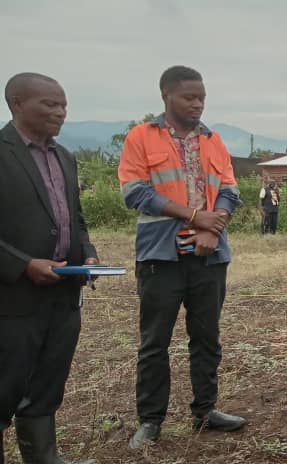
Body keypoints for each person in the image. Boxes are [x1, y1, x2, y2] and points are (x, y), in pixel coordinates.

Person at [118, 65, 247, 449]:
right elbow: (135, 193)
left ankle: (205, 411)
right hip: (161, 256)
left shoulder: (213, 140)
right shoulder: (141, 137)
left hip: (209, 254)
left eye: (201, 97)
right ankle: (151, 421)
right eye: (189, 97)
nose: (197, 104)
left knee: (206, 337)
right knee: (154, 342)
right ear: (166, 96)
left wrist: (211, 228)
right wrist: (193, 216)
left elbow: (230, 190)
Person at [0, 72, 98, 464]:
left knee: (46, 386)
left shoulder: (64, 158)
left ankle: (44, 459)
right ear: (17, 104)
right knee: (4, 387)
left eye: (63, 105)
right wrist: (23, 264)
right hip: (12, 300)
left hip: (62, 296)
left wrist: (87, 254)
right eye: (50, 104)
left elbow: (76, 219)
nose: (60, 112)